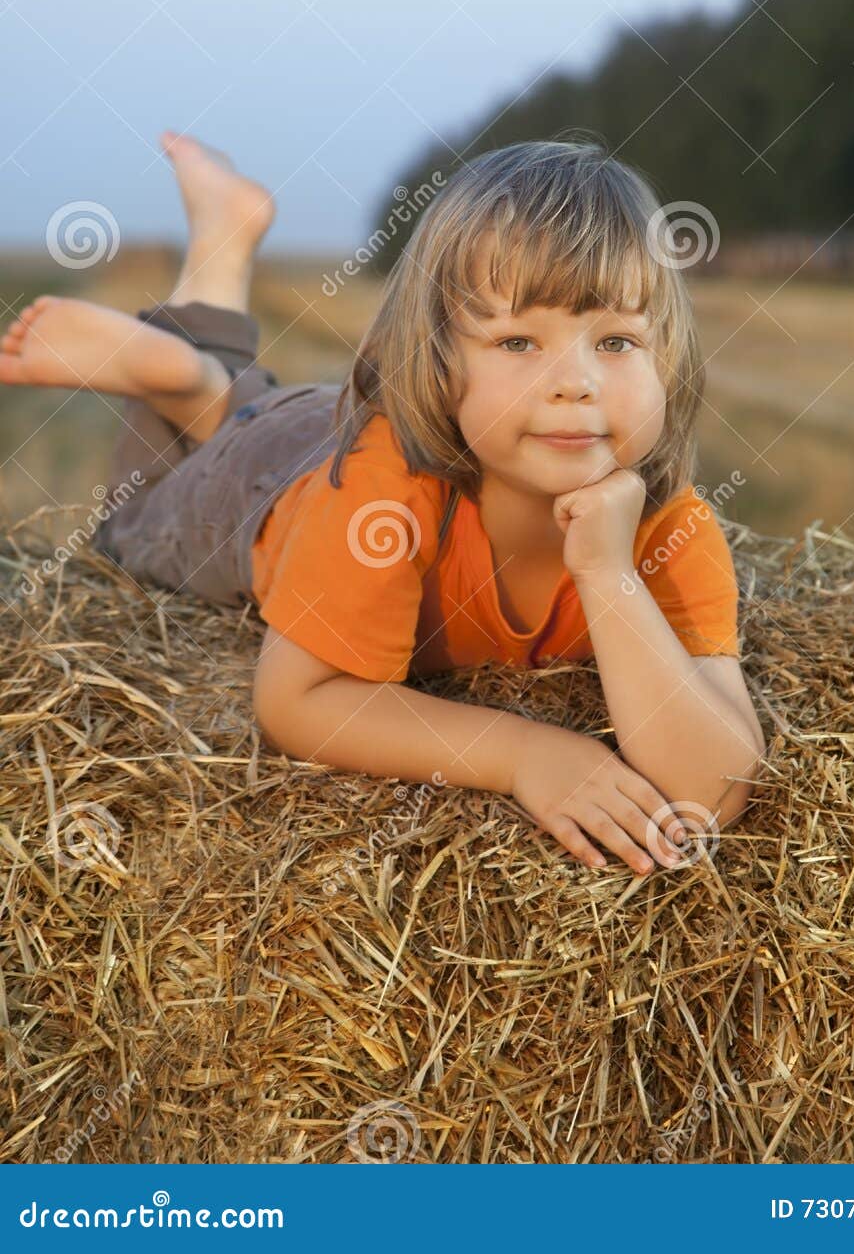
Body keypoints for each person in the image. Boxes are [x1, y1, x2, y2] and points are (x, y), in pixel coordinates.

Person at [1, 131, 765, 876]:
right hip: (264, 483)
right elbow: (298, 701)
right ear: (435, 360)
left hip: (340, 425)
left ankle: (215, 356)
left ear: (666, 356)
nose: (577, 383)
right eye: (517, 344)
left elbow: (716, 787)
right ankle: (187, 367)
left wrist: (608, 575)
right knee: (134, 525)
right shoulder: (386, 503)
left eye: (616, 342)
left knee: (250, 413)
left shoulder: (671, 529)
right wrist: (528, 753)